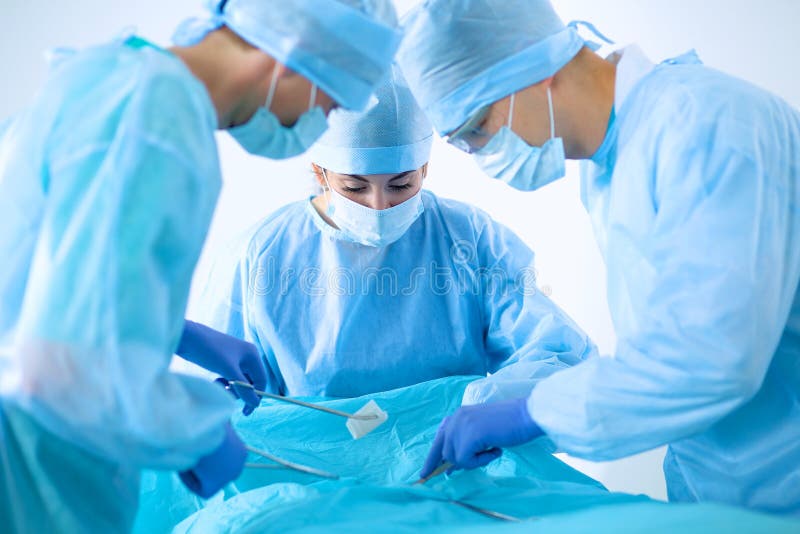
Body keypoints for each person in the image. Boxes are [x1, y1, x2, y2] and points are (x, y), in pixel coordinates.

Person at [0, 0, 400, 531]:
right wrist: (194, 430)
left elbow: (51, 274)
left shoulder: (112, 75)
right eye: (331, 104)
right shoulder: (158, 123)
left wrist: (177, 334)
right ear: (297, 56)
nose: (320, 122)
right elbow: (66, 369)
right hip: (33, 457)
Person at [397, 0, 800, 516]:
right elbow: (667, 342)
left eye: (475, 129)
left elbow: (707, 360)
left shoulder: (707, 127)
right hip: (724, 487)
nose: (480, 154)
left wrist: (533, 413)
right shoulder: (617, 158)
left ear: (528, 70)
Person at [196, 65, 596, 401]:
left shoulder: (468, 241)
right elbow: (214, 396)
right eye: (354, 187)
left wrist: (492, 409)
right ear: (319, 171)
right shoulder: (260, 256)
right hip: (314, 479)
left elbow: (557, 353)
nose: (378, 204)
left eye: (401, 185)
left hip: (450, 469)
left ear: (424, 168)